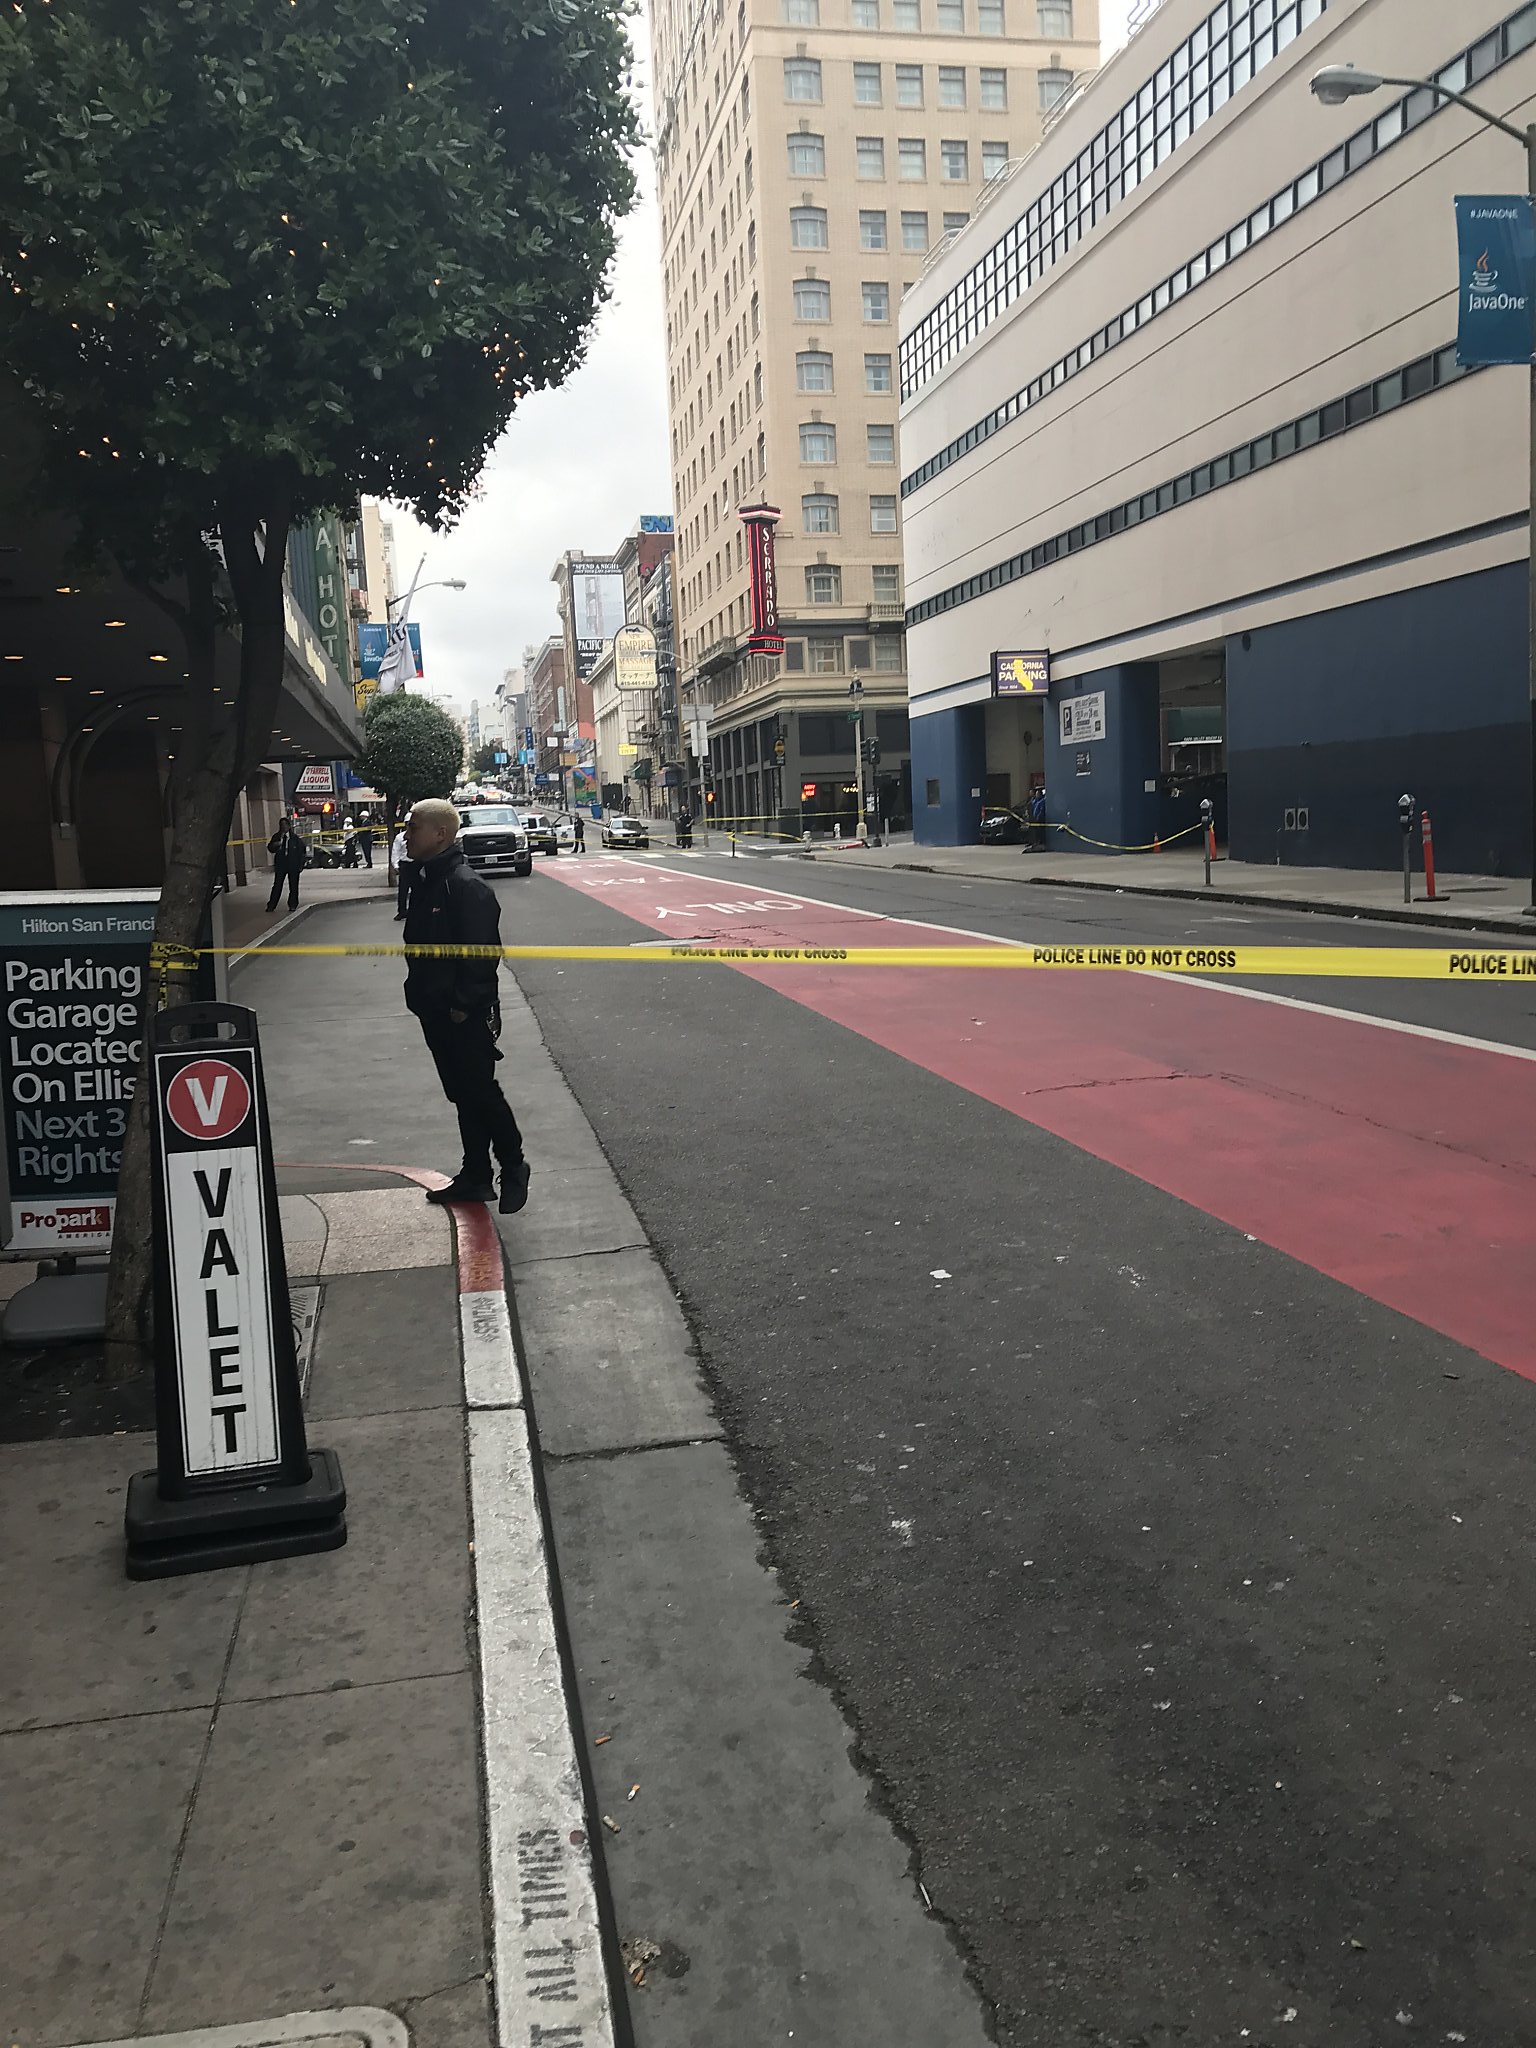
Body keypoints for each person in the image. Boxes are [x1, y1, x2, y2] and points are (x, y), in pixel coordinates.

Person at [403, 798, 530, 1213]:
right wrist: (419, 995)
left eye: (414, 827)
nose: (407, 834)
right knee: (462, 1093)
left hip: (464, 1012)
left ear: (440, 834)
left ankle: (513, 1165)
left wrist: (463, 1003)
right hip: (434, 1008)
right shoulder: (427, 880)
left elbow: (481, 954)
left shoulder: (464, 885)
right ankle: (475, 1174)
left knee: (480, 1091)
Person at [266, 814, 307, 912]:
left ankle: (292, 904)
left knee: (293, 886)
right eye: (282, 825)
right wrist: (275, 845)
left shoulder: (295, 838)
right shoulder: (277, 836)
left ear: (289, 826)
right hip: (281, 864)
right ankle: (271, 905)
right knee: (277, 885)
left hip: (293, 864)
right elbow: (270, 848)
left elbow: (302, 852)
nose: (283, 827)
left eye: (285, 824)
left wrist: (300, 865)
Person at [391, 819, 412, 921]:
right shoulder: (400, 837)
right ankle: (402, 911)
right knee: (403, 890)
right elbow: (395, 851)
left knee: (417, 889)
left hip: (416, 863)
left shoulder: (419, 836)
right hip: (405, 864)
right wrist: (395, 865)